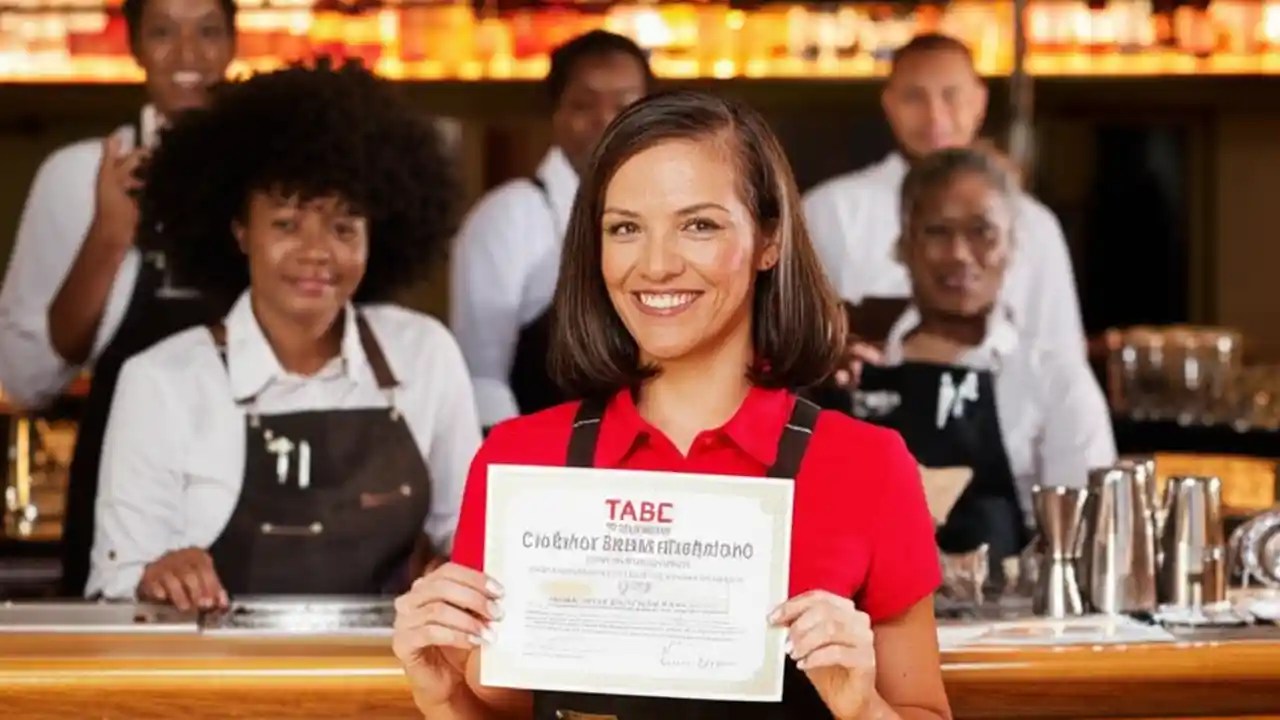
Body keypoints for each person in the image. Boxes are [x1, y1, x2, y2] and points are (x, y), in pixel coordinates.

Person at [393, 91, 951, 720]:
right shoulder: (520, 461)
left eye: (699, 224)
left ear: (769, 239)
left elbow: (921, 710)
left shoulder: (867, 466)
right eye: (625, 228)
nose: (655, 266)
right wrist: (442, 695)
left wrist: (860, 706)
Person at [84, 60, 480, 610]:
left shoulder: (424, 354)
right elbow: (114, 582)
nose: (317, 251)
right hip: (215, 685)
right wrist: (156, 577)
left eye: (344, 227)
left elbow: (471, 538)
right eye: (287, 224)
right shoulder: (161, 381)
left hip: (391, 680)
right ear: (240, 231)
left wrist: (454, 569)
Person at [0, 0, 237, 595]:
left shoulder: (273, 177)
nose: (188, 54)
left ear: (233, 44)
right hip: (121, 477)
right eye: (163, 32)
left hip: (248, 477)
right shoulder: (76, 174)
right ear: (134, 46)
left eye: (207, 31)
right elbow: (29, 379)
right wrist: (109, 234)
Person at [829, 146, 1115, 567]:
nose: (960, 254)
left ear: (1012, 246)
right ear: (904, 245)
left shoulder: (1055, 377)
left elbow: (1092, 537)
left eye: (982, 232)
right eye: (937, 232)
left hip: (1015, 623)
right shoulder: (853, 369)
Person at [803, 33, 1084, 357]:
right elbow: (794, 342)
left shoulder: (1033, 222)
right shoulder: (831, 210)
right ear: (889, 103)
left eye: (951, 95)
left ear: (979, 101)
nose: (935, 115)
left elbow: (1062, 355)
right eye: (914, 97)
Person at [449, 29, 655, 430]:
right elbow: (481, 376)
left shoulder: (670, 214)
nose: (605, 121)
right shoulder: (510, 215)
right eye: (583, 104)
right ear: (556, 113)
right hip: (544, 464)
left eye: (626, 104)